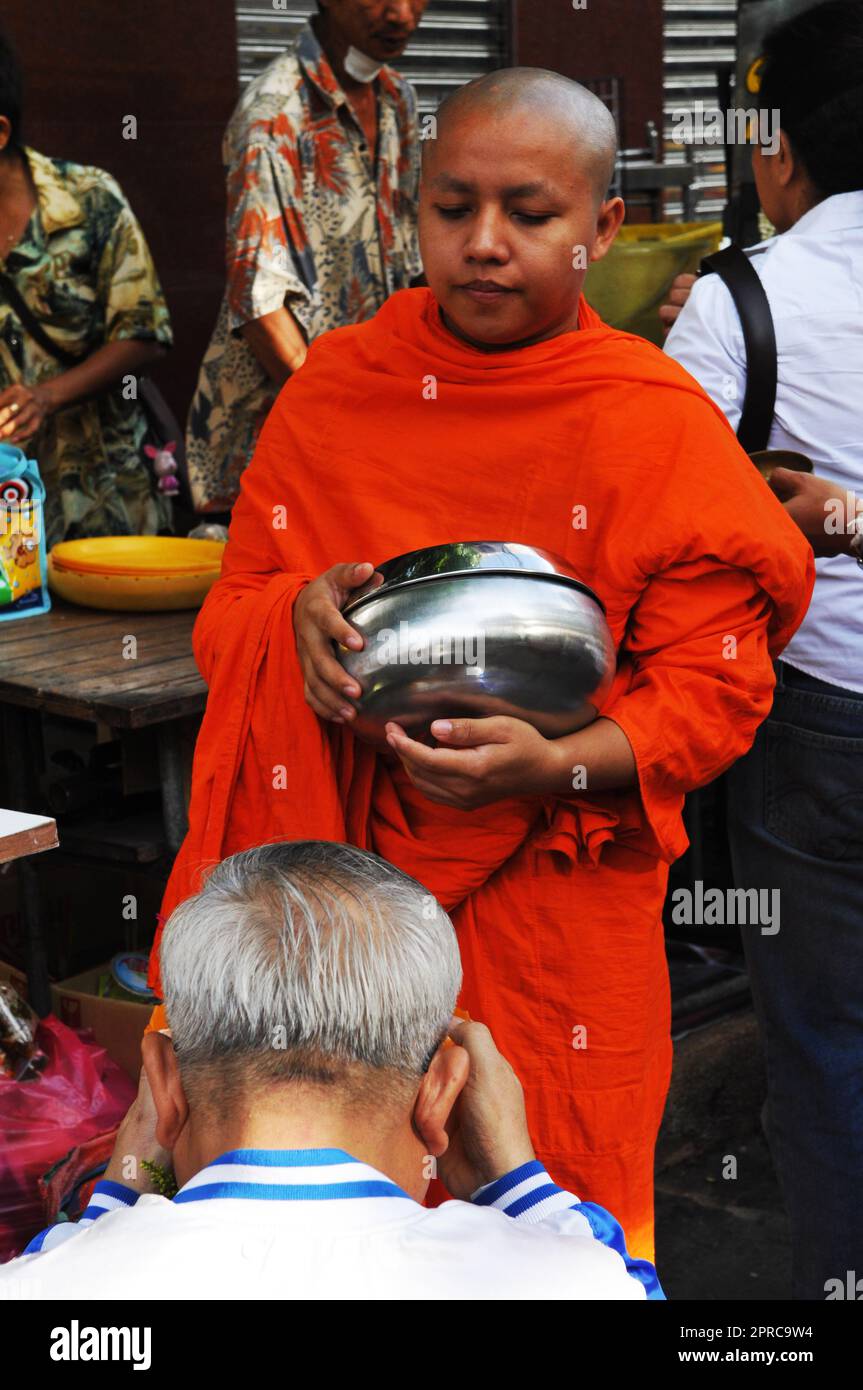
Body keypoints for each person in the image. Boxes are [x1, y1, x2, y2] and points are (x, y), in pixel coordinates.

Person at [145, 67, 814, 1265]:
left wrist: (556, 764)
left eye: (530, 213)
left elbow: (712, 688)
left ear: (601, 227)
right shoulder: (339, 388)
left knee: (552, 1230)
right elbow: (234, 606)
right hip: (337, 933)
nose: (484, 244)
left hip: (555, 921)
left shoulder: (648, 417)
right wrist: (289, 614)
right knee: (339, 1245)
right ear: (410, 203)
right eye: (452, 208)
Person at [0, 842, 662, 1300]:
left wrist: (120, 1192)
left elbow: (52, 1272)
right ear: (442, 1094)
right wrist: (517, 1184)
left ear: (163, 1086)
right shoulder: (568, 1283)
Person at [664, 0, 863, 1300]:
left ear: (776, 152)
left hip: (814, 730)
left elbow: (654, 533)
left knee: (822, 1034)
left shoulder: (734, 305)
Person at [186, 0, 427, 514]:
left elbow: (413, 257)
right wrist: (339, 425)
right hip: (282, 437)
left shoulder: (398, 99)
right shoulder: (272, 112)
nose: (402, 14)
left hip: (376, 432)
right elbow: (258, 299)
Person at [0, 30, 174, 548]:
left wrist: (44, 398)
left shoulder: (90, 199)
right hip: (13, 520)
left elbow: (146, 332)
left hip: (109, 498)